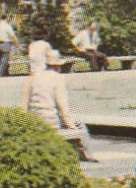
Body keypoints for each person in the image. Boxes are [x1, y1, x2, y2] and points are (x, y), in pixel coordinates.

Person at [25, 23, 95, 161]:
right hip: (51, 123)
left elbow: (26, 106)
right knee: (80, 125)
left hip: (35, 121)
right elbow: (63, 109)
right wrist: (73, 128)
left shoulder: (33, 79)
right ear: (58, 66)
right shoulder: (58, 79)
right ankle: (88, 156)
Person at [0, 13, 22, 78]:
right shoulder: (7, 26)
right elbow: (13, 36)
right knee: (4, 62)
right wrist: (18, 45)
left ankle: (6, 75)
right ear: (7, 18)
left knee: (1, 61)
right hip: (5, 44)